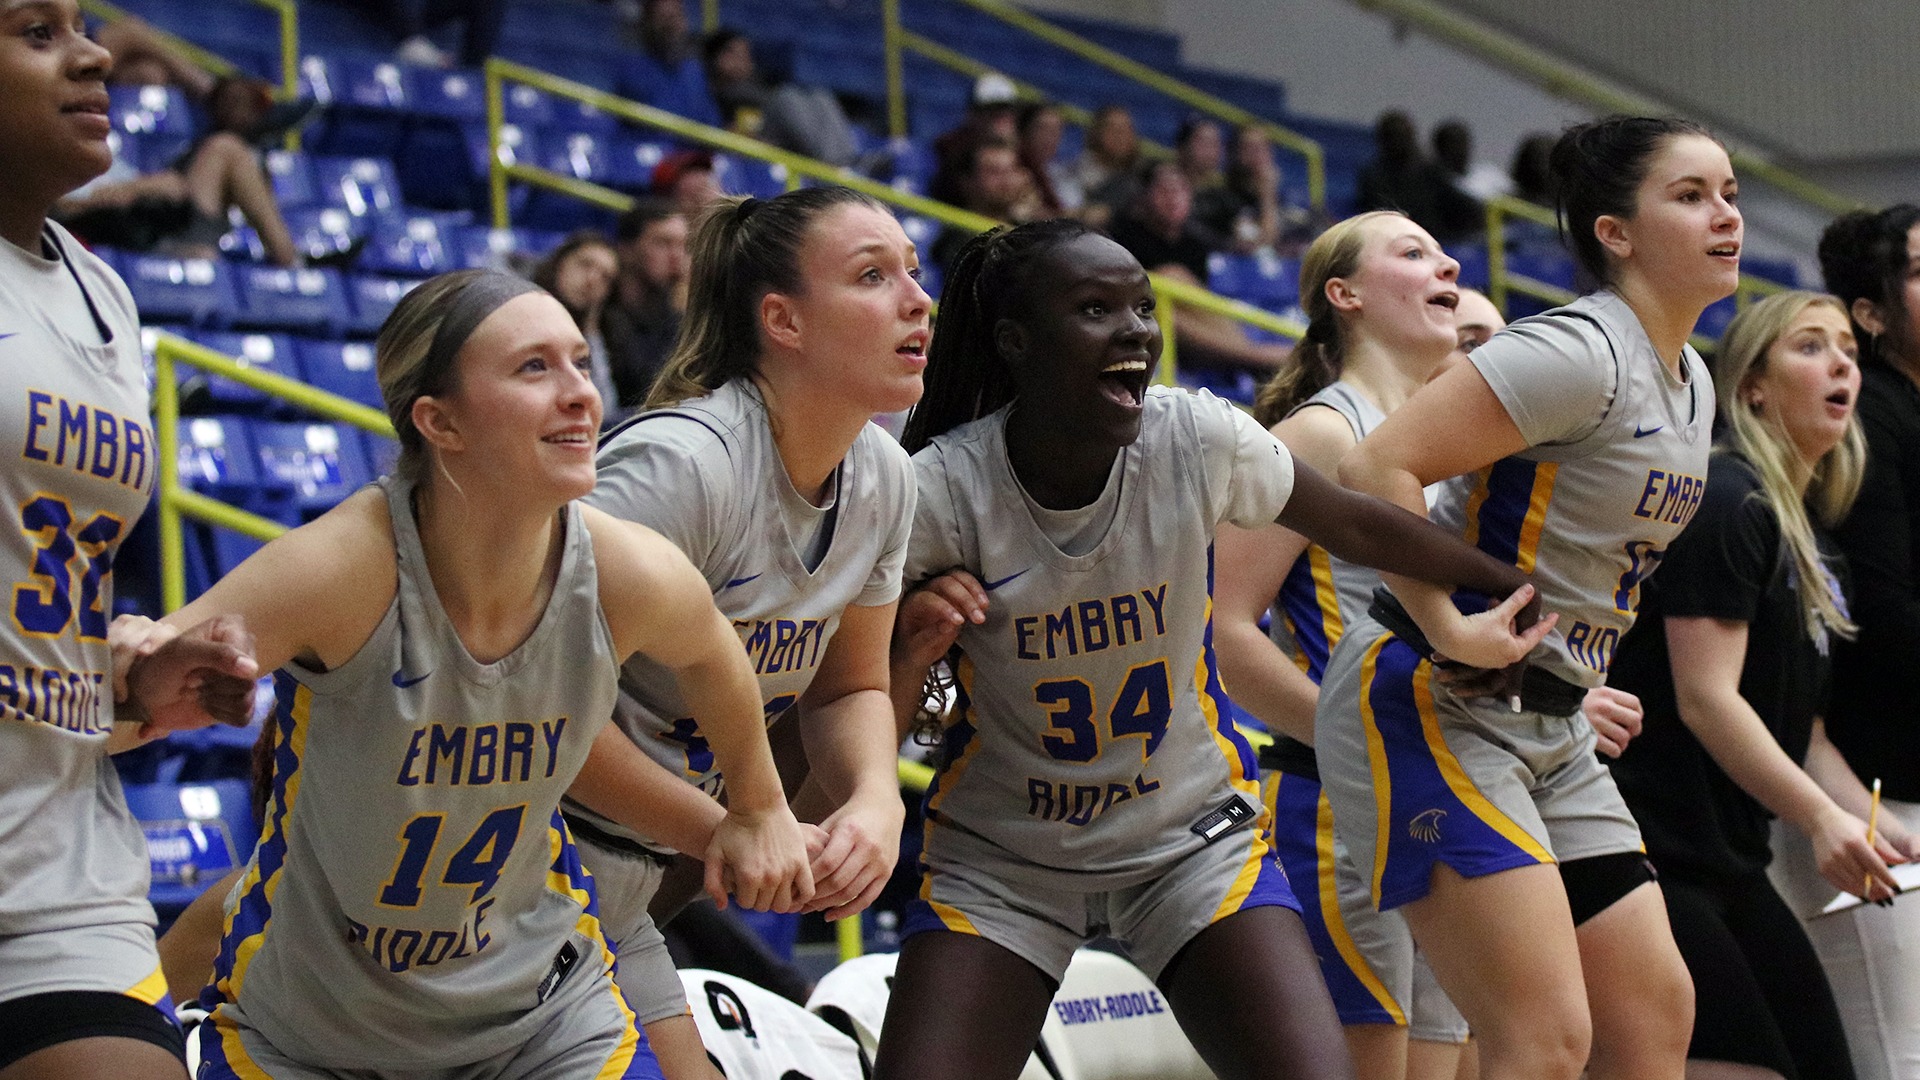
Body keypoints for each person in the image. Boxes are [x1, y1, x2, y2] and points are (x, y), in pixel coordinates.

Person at [876, 217, 1556, 1080]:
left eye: (1141, 308)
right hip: (1006, 856)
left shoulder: (1192, 435)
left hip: (1191, 837)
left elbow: (1354, 521)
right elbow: (863, 690)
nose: (1134, 331)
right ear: (1017, 342)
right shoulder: (939, 492)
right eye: (1094, 309)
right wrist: (913, 637)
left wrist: (1504, 587)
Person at [173, 268, 816, 1079]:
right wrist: (139, 657)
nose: (581, 393)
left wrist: (758, 806)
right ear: (439, 422)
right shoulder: (343, 566)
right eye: (534, 368)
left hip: (541, 1016)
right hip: (314, 1038)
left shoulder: (626, 570)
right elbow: (146, 682)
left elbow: (716, 655)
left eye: (581, 363)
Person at [1317, 115, 1743, 1080]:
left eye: (1729, 195)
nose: (1724, 216)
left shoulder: (1694, 383)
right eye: (1689, 196)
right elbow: (1374, 462)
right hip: (1434, 702)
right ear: (1615, 231)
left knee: (1653, 1019)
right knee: (1543, 1041)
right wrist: (1445, 625)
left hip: (1550, 721)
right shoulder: (1578, 351)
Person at [1214, 213, 1641, 1080]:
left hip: (1443, 766)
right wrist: (1353, 738)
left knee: (1462, 1060)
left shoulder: (1442, 445)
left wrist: (1548, 695)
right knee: (1378, 1064)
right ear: (1346, 296)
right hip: (1336, 793)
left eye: (1443, 251)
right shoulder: (1323, 434)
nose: (1445, 261)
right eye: (1411, 253)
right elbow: (1223, 631)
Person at [568, 187, 926, 1080]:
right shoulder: (680, 469)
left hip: (640, 874)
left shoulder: (883, 472)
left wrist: (875, 801)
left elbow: (849, 687)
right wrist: (733, 826)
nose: (918, 300)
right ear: (783, 321)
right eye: (873, 276)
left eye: (913, 274)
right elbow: (527, 715)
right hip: (504, 847)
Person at [0, 7, 279, 1077]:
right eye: (35, 30)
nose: (96, 53)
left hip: (62, 862)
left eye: (81, 23)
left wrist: (124, 675)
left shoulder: (101, 293)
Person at [1604, 291, 1907, 1080]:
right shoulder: (1727, 500)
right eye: (1810, 347)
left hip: (1727, 857)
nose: (1842, 362)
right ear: (1752, 389)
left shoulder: (1812, 540)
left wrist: (1859, 820)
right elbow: (1707, 698)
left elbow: (1802, 730)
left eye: (1847, 347)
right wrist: (1817, 821)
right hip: (1648, 847)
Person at [1796, 203, 1920, 1080]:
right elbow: (1884, 616)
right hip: (1870, 787)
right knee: (1894, 1051)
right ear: (1871, 312)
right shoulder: (1873, 416)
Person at [1107, 159, 1292, 373]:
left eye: (1181, 190)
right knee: (1164, 284)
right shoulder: (1122, 233)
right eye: (1164, 189)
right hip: (1137, 327)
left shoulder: (1195, 241)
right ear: (1144, 196)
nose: (1173, 198)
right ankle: (1256, 357)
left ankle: (1252, 355)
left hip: (1193, 340)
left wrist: (1267, 194)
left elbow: (1258, 242)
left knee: (1175, 277)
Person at [700, 28, 860, 169]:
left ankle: (850, 163)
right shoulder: (710, 89)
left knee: (820, 94)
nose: (747, 61)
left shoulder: (753, 86)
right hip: (759, 140)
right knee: (786, 97)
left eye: (747, 54)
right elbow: (723, 131)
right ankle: (835, 166)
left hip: (778, 137)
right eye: (738, 55)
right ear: (719, 58)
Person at [602, 198, 690, 409]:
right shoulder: (598, 316)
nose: (676, 256)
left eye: (683, 246)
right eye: (663, 243)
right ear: (626, 250)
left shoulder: (678, 316)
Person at [529, 230, 622, 423]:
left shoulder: (592, 330)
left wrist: (591, 331)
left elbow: (605, 407)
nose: (592, 280)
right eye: (585, 265)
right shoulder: (515, 307)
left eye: (605, 278)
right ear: (560, 263)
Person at [1355, 111, 1479, 245]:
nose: (1402, 142)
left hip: (1437, 238)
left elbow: (1464, 204)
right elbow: (1379, 216)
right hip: (1393, 240)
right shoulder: (1373, 176)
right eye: (1395, 137)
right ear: (1384, 141)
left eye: (1406, 136)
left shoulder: (1430, 170)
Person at [618, 0, 723, 130]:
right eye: (664, 18)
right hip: (651, 145)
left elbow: (711, 123)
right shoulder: (632, 69)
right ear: (649, 24)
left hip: (693, 148)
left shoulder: (695, 71)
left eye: (676, 17)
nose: (672, 26)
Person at [1070, 103, 1142, 230]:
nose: (1120, 136)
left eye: (1126, 129)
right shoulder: (1071, 173)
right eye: (1112, 128)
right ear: (1095, 132)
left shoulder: (1141, 180)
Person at [1015, 102, 1079, 218]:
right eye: (1043, 128)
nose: (1049, 137)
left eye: (1056, 131)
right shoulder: (1011, 168)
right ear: (1025, 130)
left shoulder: (1062, 175)